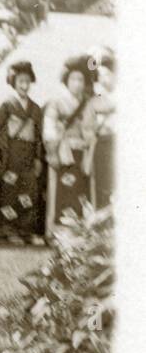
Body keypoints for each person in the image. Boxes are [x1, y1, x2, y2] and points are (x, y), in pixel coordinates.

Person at [0, 60, 45, 244]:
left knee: (28, 190)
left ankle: (26, 230)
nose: (24, 85)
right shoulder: (6, 105)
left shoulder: (36, 108)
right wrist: (2, 149)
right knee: (9, 190)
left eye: (27, 82)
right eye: (20, 81)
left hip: (29, 151)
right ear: (13, 82)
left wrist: (38, 157)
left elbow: (38, 135)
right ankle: (7, 229)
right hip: (11, 151)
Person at [44, 56, 96, 234]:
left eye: (81, 79)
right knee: (62, 191)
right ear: (66, 80)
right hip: (63, 152)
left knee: (79, 193)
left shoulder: (88, 104)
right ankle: (58, 232)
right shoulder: (57, 102)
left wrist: (89, 144)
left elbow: (90, 129)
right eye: (73, 79)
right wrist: (51, 151)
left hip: (82, 153)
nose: (77, 83)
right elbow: (49, 126)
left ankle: (77, 232)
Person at [88, 51, 114, 211]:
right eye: (100, 74)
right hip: (102, 140)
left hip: (117, 140)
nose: (103, 78)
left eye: (107, 74)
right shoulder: (96, 95)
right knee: (102, 182)